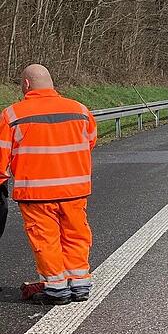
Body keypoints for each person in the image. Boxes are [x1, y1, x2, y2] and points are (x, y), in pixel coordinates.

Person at [0, 65, 97, 305]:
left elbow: (1, 158)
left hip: (36, 194)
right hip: (74, 191)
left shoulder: (12, 116)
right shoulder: (81, 111)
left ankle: (57, 289)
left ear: (25, 85)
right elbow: (90, 142)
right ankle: (80, 284)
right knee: (76, 235)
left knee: (46, 240)